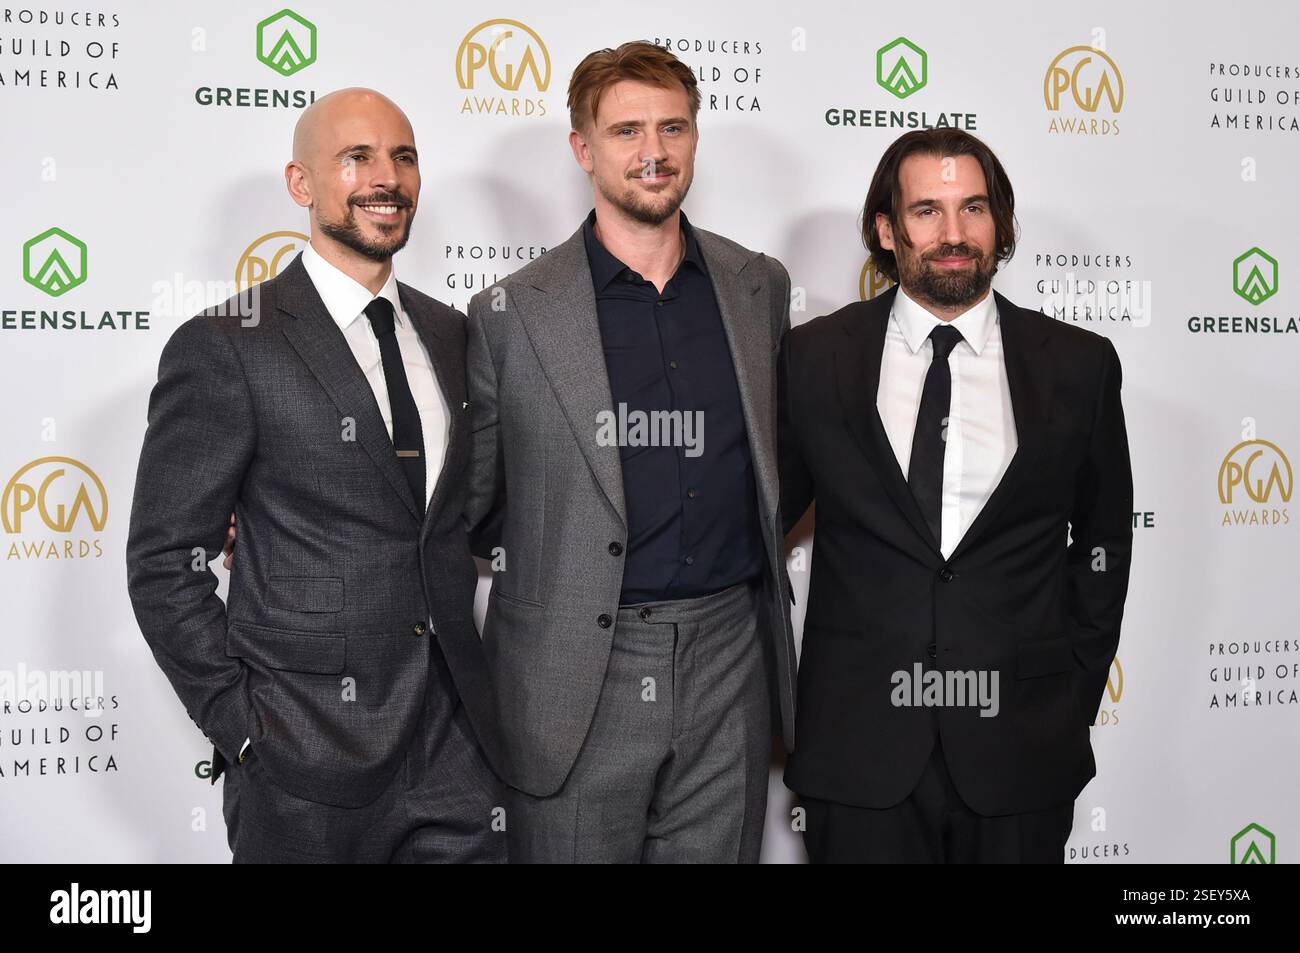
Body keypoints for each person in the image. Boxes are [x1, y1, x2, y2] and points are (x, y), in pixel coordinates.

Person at [126, 88, 506, 863]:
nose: (386, 177)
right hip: (302, 763)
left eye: (403, 156)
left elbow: (465, 516)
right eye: (356, 156)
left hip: (457, 754)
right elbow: (165, 562)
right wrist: (243, 728)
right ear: (302, 184)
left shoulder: (452, 331)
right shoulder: (229, 344)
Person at [464, 42, 797, 863]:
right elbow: (475, 503)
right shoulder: (510, 314)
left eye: (672, 127)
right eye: (626, 131)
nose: (653, 151)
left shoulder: (759, 286)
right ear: (583, 148)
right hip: (577, 669)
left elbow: (782, 463)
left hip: (730, 655)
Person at [778, 127, 1133, 863]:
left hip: (1020, 749)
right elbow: (760, 524)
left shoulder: (1079, 365)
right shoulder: (815, 357)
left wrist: (1067, 701)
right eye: (927, 211)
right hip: (857, 750)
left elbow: (1103, 544)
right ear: (888, 228)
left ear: (999, 224)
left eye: (973, 209)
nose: (953, 234)